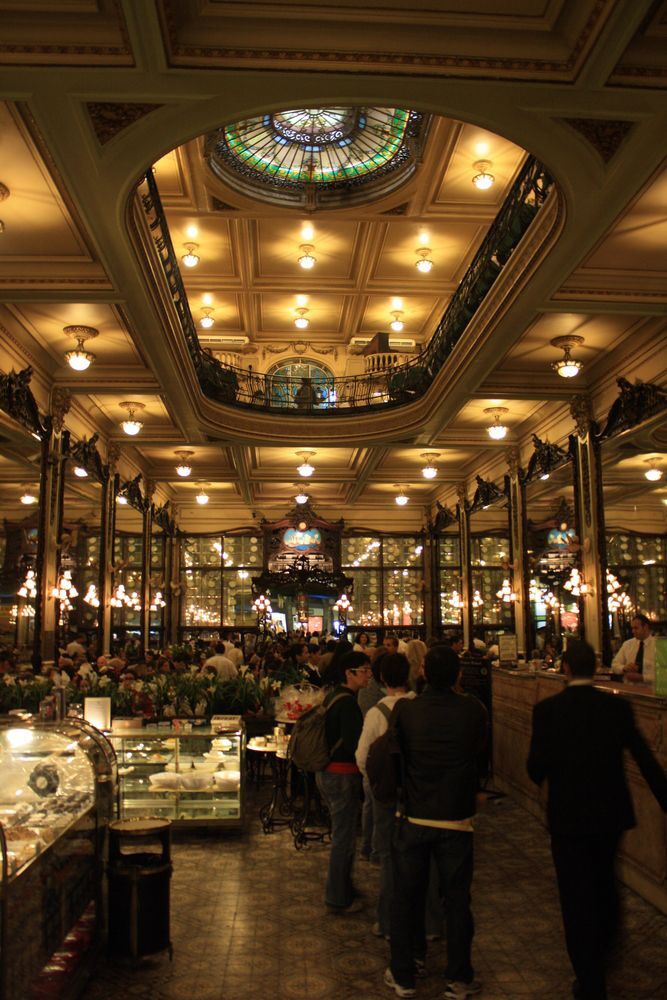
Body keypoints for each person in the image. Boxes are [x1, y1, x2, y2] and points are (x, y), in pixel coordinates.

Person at [527, 638, 667, 1000]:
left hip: (568, 818)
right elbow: (644, 757)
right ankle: (604, 949)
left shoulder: (548, 711)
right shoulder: (616, 709)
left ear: (566, 669)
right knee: (605, 885)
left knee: (575, 898)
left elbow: (535, 768)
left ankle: (590, 980)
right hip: (610, 815)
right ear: (595, 668)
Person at [385, 643, 488, 1000]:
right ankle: (458, 977)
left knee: (406, 896)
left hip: (414, 814)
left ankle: (405, 972)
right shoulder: (473, 711)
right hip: (456, 819)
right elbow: (479, 757)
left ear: (424, 672)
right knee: (457, 900)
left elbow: (396, 759)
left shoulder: (406, 711)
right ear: (459, 675)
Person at [355, 652, 415, 939]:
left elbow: (362, 757)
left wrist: (376, 783)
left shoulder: (377, 713)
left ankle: (388, 922)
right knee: (418, 855)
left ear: (381, 679)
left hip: (386, 794)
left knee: (389, 856)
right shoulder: (419, 706)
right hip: (417, 794)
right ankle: (425, 922)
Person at [315, 650, 371, 913]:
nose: (368, 675)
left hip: (328, 773)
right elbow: (354, 745)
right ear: (349, 674)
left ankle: (344, 886)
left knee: (343, 834)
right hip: (341, 775)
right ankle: (337, 897)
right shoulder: (348, 703)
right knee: (343, 837)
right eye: (364, 670)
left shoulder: (334, 695)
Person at [611, 613, 657, 685]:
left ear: (645, 627)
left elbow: (663, 675)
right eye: (632, 628)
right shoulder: (627, 644)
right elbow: (614, 665)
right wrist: (624, 668)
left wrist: (642, 677)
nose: (633, 631)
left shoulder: (658, 645)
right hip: (629, 689)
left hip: (650, 690)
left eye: (636, 628)